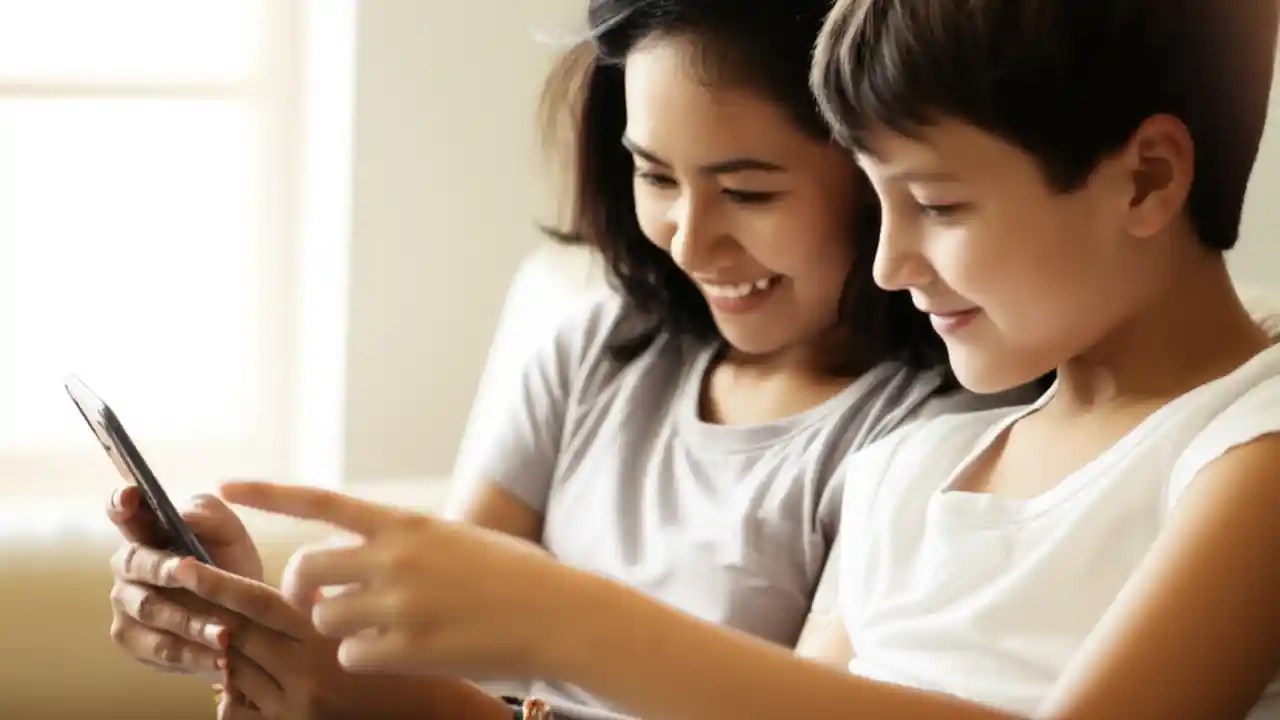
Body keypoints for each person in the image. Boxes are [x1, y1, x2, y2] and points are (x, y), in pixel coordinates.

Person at [208, 0, 1280, 718]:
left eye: (938, 207)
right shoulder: (913, 468)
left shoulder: (1246, 451)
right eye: (877, 201)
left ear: (1145, 181)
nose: (892, 259)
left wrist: (575, 626)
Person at [103, 1, 1028, 717]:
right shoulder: (595, 347)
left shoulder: (926, 443)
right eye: (655, 176)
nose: (691, 241)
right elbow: (433, 656)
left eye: (747, 190)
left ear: (880, 180)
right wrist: (262, 624)